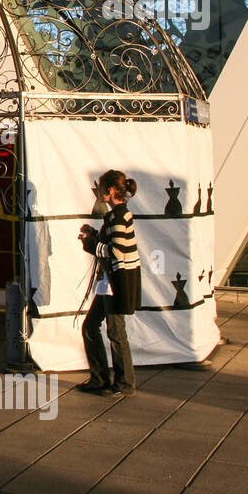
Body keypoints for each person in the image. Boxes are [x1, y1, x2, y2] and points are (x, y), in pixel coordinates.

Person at [77, 170, 141, 399]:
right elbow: (113, 242)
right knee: (91, 327)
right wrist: (94, 234)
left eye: (102, 188)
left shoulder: (120, 216)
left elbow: (116, 252)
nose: (99, 193)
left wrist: (89, 243)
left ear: (111, 190)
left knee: (115, 332)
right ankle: (101, 378)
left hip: (117, 280)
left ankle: (123, 383)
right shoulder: (116, 216)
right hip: (111, 281)